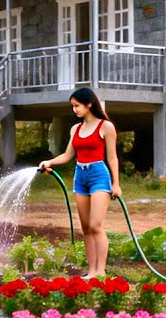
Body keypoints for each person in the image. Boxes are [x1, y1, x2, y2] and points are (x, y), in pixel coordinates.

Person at [38, 87, 123, 278]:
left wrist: (116, 184)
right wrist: (49, 162)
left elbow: (112, 158)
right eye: (73, 106)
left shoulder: (105, 127)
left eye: (77, 106)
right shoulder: (75, 129)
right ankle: (91, 271)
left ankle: (100, 271)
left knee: (96, 226)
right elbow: (68, 155)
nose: (74, 110)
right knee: (85, 228)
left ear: (89, 104)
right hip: (80, 177)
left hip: (99, 176)